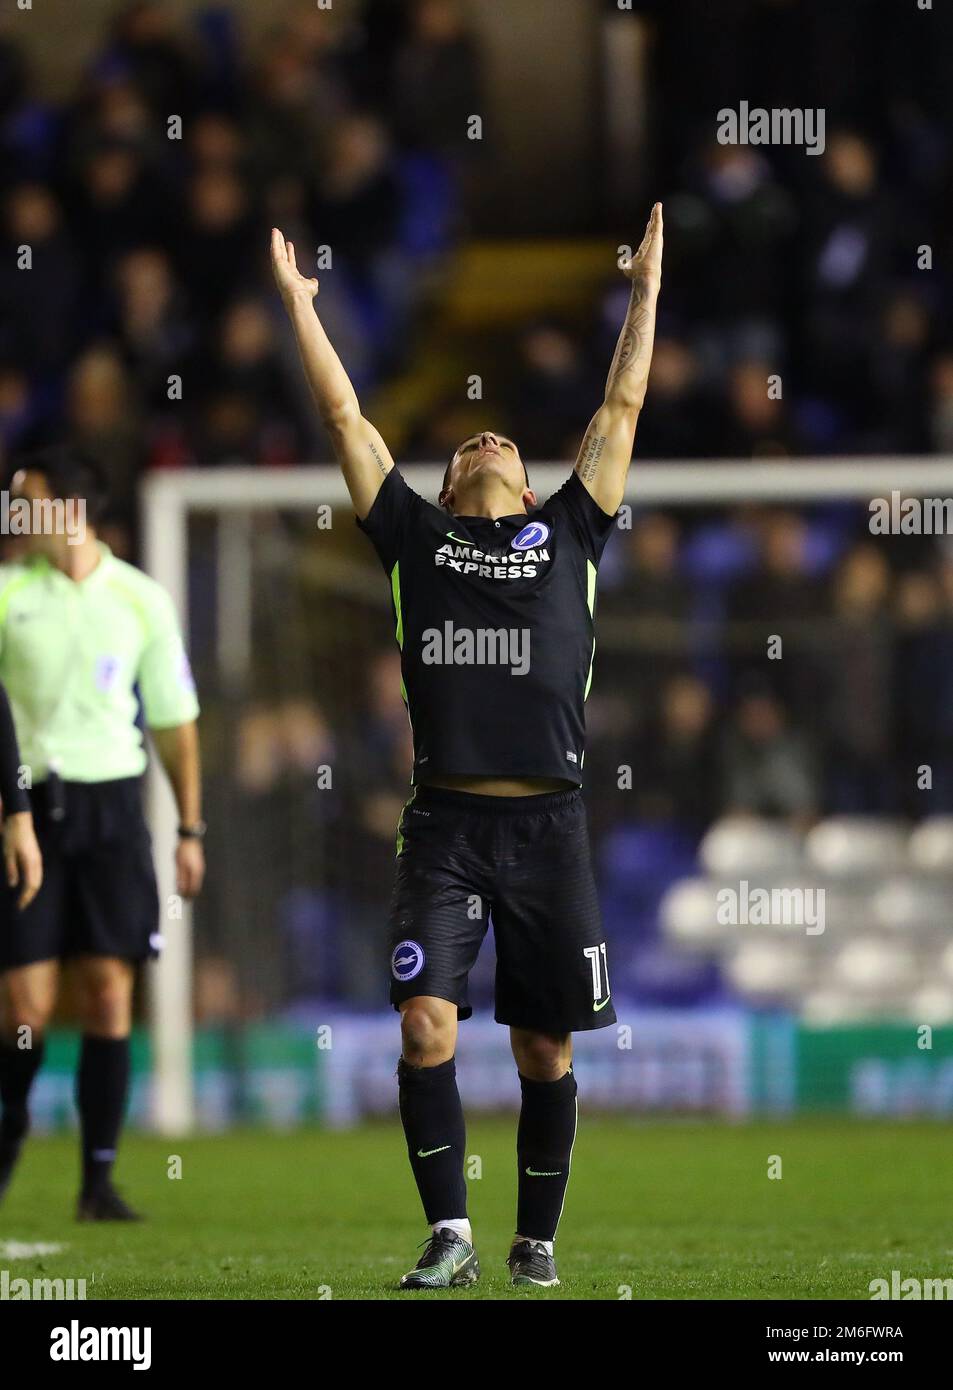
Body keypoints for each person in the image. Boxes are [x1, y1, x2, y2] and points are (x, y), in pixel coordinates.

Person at [272, 203, 662, 1289]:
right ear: (447, 490)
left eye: (500, 439)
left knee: (546, 1049)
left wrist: (642, 296)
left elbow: (622, 398)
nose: (484, 438)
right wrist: (304, 310)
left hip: (548, 820)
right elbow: (346, 415)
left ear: (528, 487)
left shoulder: (572, 528)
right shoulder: (413, 536)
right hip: (444, 821)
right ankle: (449, 1231)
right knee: (425, 1027)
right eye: (464, 444)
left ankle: (534, 1240)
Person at [0, 447, 205, 1219]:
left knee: (109, 991)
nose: (12, 514)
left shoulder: (141, 599)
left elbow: (174, 722)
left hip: (114, 809)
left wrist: (189, 826)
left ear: (70, 509)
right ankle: (13, 1125)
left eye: (25, 499)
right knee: (24, 1007)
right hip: (24, 810)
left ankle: (97, 1182)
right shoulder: (8, 592)